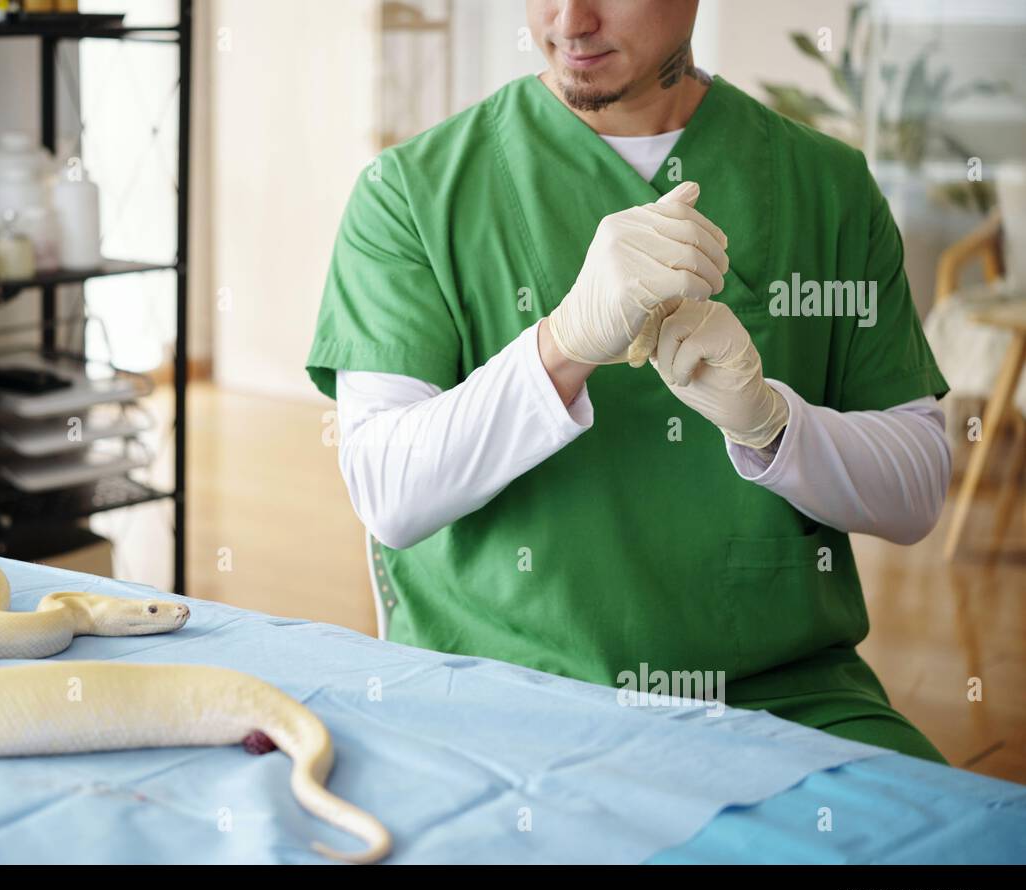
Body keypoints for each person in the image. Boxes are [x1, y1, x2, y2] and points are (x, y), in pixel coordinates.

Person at [305, 0, 950, 762]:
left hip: (783, 701)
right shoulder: (410, 194)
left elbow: (917, 494)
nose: (570, 20)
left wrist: (772, 422)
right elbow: (388, 494)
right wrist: (561, 347)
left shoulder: (828, 186)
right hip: (499, 693)